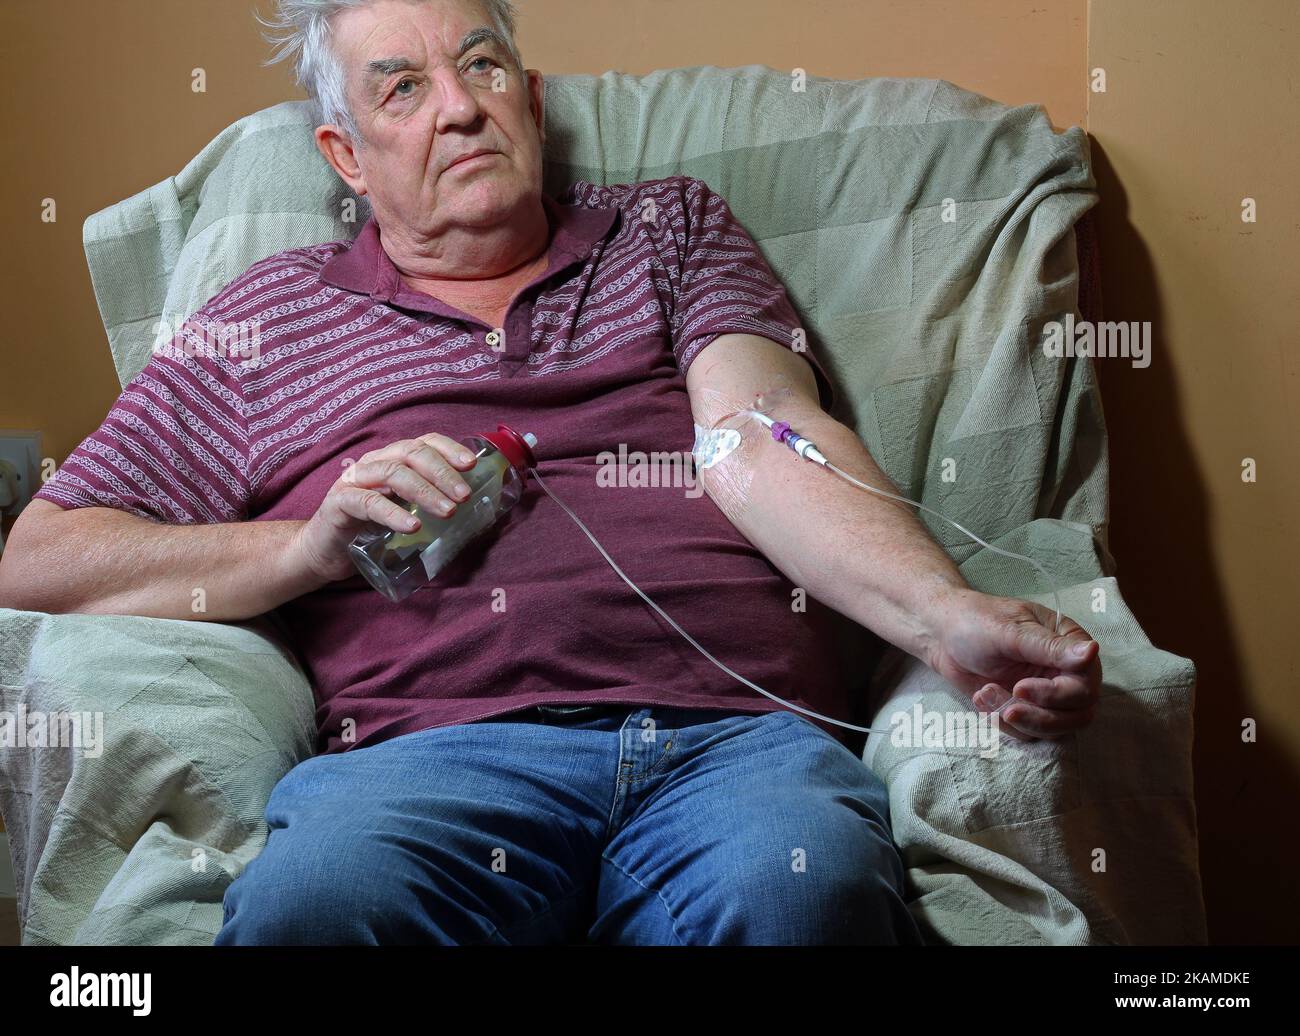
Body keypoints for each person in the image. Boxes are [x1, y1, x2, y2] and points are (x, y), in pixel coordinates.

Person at [0, 0, 1100, 945]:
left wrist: (939, 615)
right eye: (401, 90)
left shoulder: (666, 230)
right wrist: (299, 548)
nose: (458, 107)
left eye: (479, 66)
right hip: (425, 760)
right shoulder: (269, 315)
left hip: (729, 745)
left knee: (801, 893)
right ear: (345, 153)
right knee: (313, 907)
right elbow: (40, 554)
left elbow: (760, 426)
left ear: (527, 97)